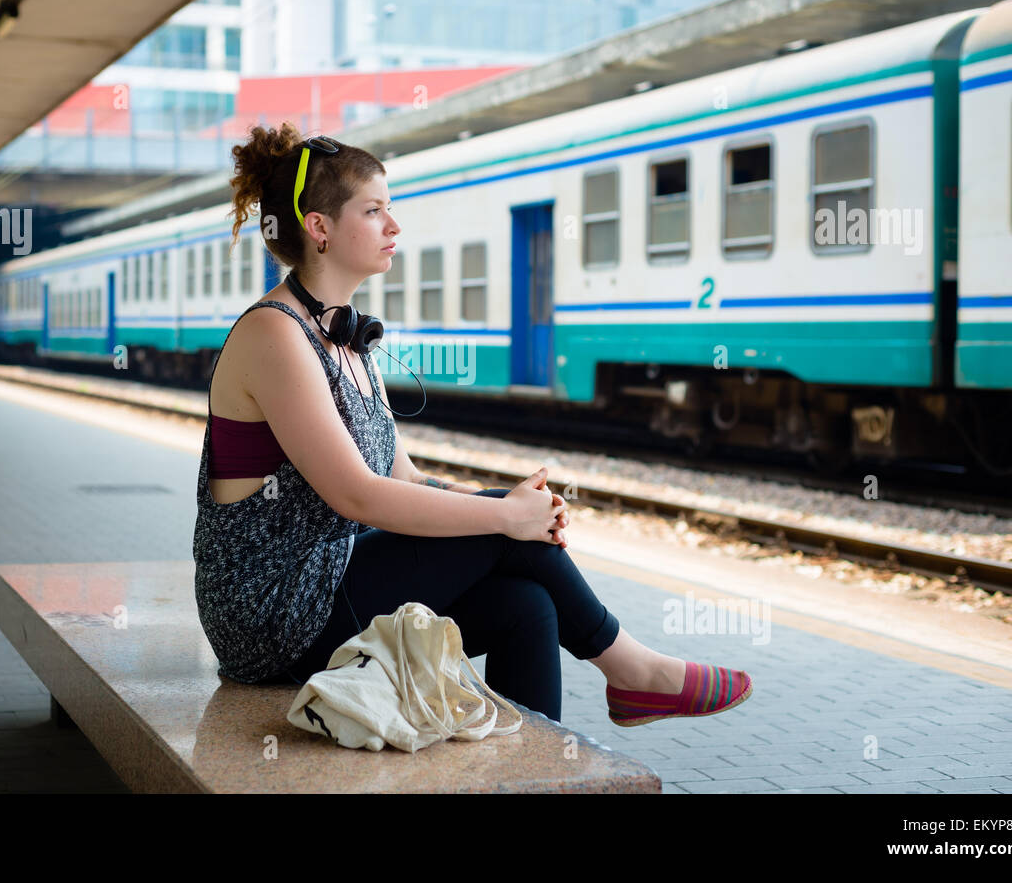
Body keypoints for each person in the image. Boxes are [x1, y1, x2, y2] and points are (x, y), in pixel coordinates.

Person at [192, 122, 753, 726]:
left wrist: (500, 503)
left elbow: (402, 476)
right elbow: (358, 495)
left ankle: (535, 777)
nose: (394, 226)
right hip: (272, 612)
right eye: (374, 210)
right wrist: (502, 515)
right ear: (320, 227)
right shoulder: (274, 332)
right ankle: (637, 673)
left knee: (528, 604)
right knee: (503, 528)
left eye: (391, 209)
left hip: (329, 583)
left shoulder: (344, 336)